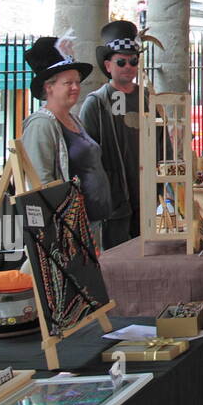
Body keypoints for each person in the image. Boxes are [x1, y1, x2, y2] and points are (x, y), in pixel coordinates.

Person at [20, 36, 109, 251]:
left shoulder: (73, 119)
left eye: (77, 82)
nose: (75, 87)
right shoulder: (42, 125)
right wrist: (66, 228)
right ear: (48, 87)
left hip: (91, 223)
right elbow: (40, 183)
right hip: (71, 231)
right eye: (68, 83)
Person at [79, 20, 144, 246]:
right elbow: (86, 156)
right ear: (108, 66)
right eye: (121, 61)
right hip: (114, 201)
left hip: (145, 197)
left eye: (134, 61)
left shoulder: (147, 98)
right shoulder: (95, 103)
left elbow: (161, 141)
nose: (129, 66)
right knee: (117, 258)